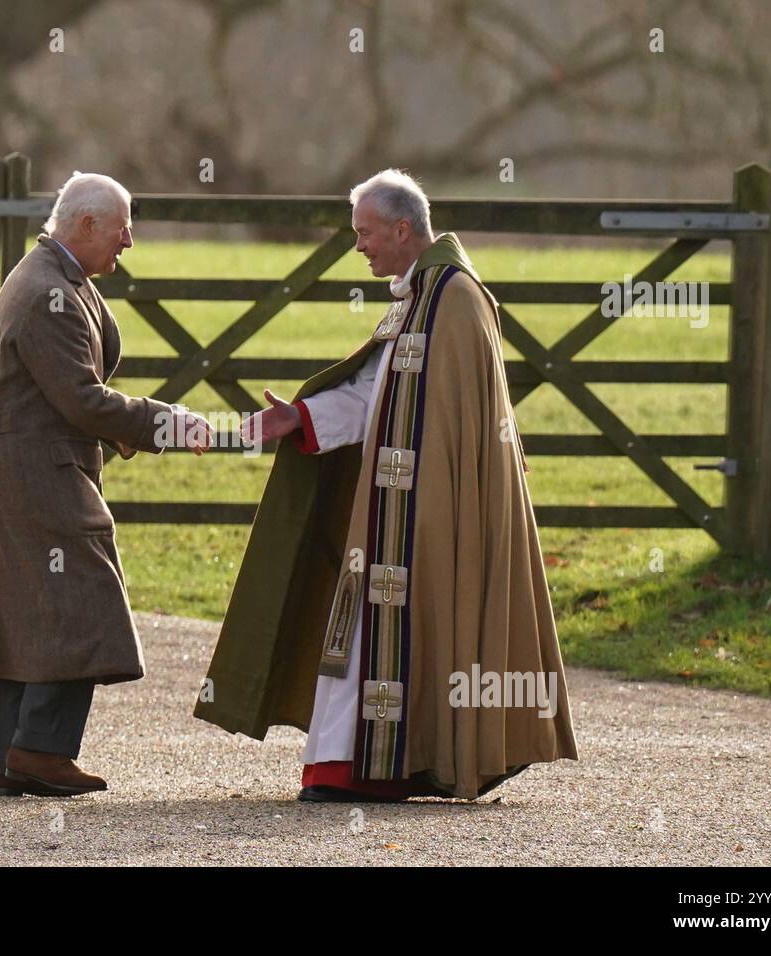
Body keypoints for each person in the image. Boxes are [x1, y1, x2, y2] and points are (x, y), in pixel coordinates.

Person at [194, 169, 578, 801]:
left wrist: (440, 506)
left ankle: (414, 762)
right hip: (390, 512)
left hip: (432, 512)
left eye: (366, 233)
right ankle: (362, 768)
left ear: (404, 230)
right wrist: (302, 417)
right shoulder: (415, 296)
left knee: (415, 628)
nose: (359, 246)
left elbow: (464, 421)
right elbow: (376, 396)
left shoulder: (456, 298)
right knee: (362, 630)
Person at [0, 171, 211, 797]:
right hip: (33, 471)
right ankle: (41, 751)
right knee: (81, 598)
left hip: (22, 465)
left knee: (34, 606)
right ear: (87, 224)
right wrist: (167, 424)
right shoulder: (49, 289)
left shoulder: (53, 277)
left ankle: (14, 758)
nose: (129, 241)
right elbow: (81, 398)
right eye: (122, 227)